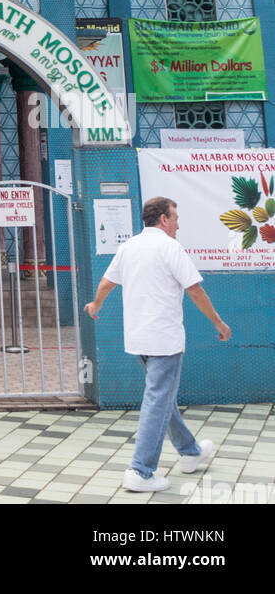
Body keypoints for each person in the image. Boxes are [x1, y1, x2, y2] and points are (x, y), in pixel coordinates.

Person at [84, 195, 231, 492]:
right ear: (163, 219)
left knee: (162, 397)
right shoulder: (170, 247)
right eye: (175, 218)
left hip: (138, 338)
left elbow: (106, 283)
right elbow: (195, 291)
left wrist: (95, 306)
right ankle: (140, 470)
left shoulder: (128, 247)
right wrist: (219, 323)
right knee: (156, 400)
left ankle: (190, 452)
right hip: (164, 339)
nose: (178, 225)